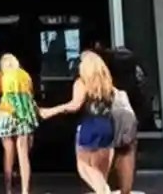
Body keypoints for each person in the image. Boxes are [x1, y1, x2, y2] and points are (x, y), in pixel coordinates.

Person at [41, 50, 115, 194]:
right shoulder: (107, 83)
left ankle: (104, 191)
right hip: (107, 125)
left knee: (83, 166)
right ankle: (102, 189)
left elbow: (75, 105)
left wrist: (50, 111)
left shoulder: (82, 82)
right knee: (100, 170)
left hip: (89, 125)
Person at [93, 42, 150, 194]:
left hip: (111, 108)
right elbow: (143, 89)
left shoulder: (108, 67)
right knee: (127, 150)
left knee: (106, 149)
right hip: (129, 110)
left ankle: (105, 186)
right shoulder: (134, 66)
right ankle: (125, 189)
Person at [0, 53, 39, 194]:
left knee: (8, 153)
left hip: (5, 113)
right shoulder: (25, 76)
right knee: (23, 155)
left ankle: (9, 189)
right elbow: (31, 94)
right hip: (22, 115)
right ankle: (25, 190)